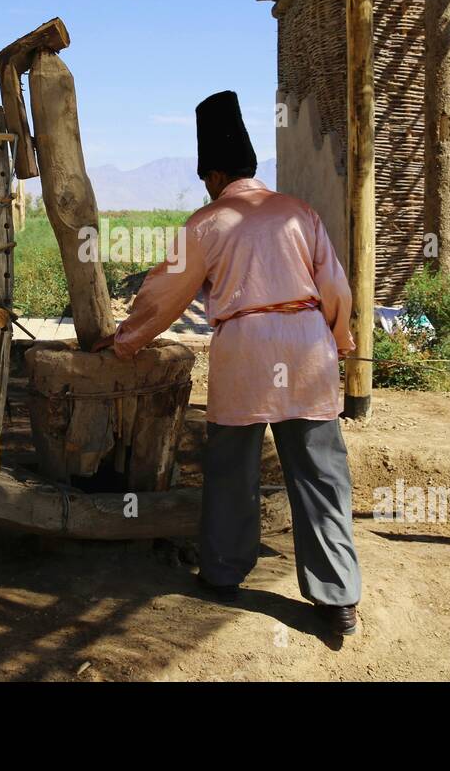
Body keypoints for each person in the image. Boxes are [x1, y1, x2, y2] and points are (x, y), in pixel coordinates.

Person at [93, 90, 362, 637]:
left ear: (214, 175)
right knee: (320, 472)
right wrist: (339, 340)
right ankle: (338, 599)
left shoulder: (208, 222)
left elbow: (163, 295)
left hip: (245, 349)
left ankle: (221, 574)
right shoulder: (299, 212)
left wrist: (124, 341)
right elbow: (335, 287)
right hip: (306, 344)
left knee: (231, 470)